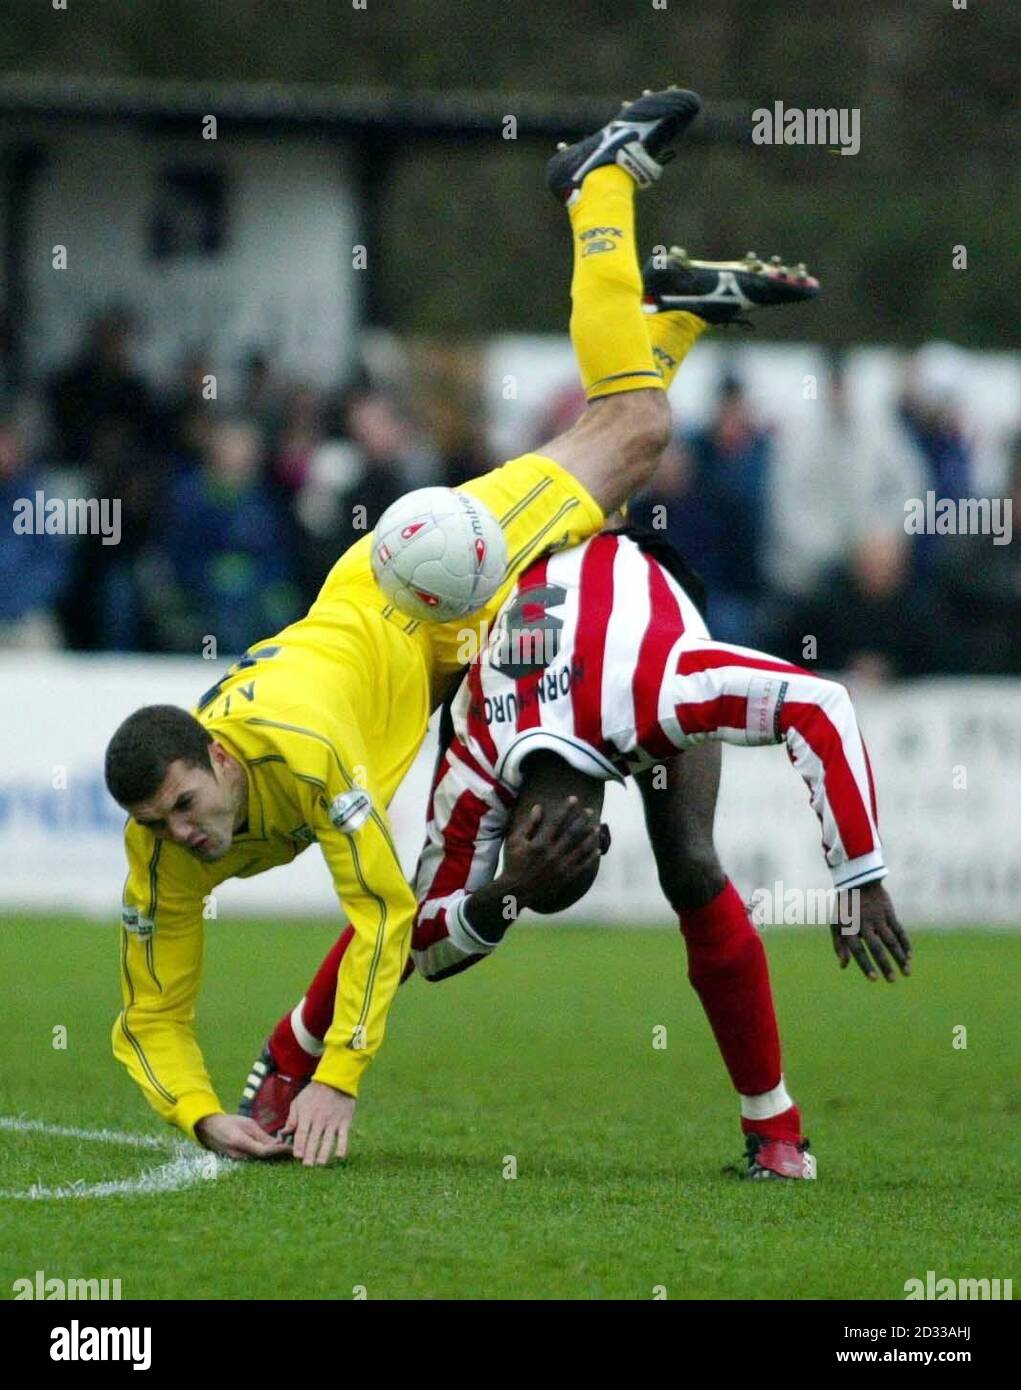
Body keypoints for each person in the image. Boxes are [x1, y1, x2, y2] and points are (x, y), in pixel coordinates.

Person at [103, 86, 815, 1166]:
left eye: (186, 805)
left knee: (634, 427)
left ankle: (598, 188)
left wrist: (339, 1075)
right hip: (444, 660)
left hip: (427, 582)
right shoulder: (163, 851)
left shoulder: (299, 749)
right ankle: (657, 315)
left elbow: (388, 907)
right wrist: (200, 1113)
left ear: (214, 756)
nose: (181, 834)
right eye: (162, 823)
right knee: (613, 452)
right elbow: (148, 1015)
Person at [249, 525, 910, 1177]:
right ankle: (286, 1053)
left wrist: (859, 877)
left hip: (639, 604)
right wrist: (507, 892)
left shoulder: (658, 689)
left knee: (688, 861)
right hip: (549, 634)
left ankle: (775, 1129)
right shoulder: (477, 753)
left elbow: (819, 703)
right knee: (683, 867)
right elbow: (415, 935)